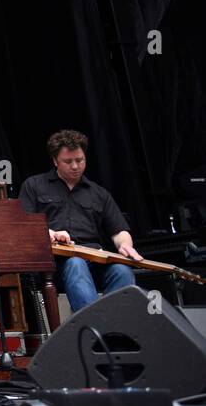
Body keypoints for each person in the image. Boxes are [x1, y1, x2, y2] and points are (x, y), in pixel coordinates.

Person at [19, 129, 141, 312]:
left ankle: (112, 327)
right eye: (68, 161)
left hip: (95, 259)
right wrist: (50, 234)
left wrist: (125, 244)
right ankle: (92, 327)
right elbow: (23, 224)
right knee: (76, 263)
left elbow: (118, 230)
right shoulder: (34, 185)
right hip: (57, 263)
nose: (75, 166)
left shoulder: (98, 193)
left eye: (80, 160)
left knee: (122, 271)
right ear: (55, 161)